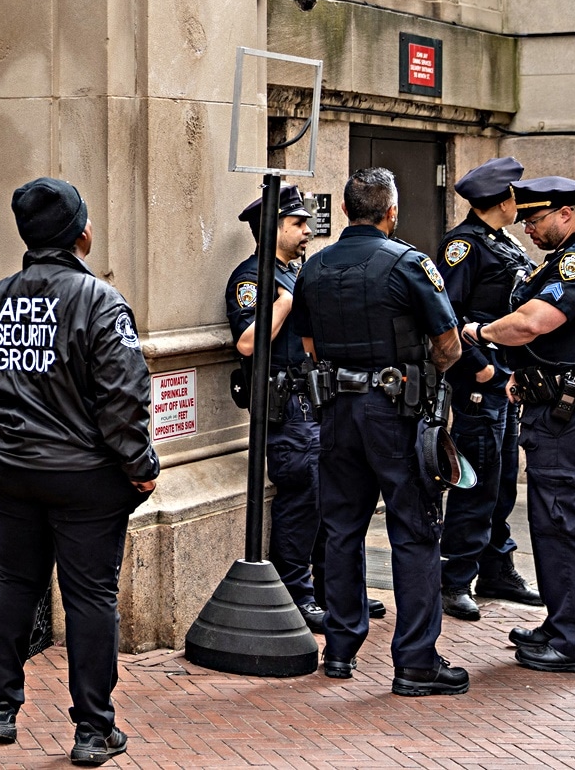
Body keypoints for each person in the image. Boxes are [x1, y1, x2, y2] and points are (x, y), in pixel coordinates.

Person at [0, 176, 159, 766]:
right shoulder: (99, 301)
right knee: (91, 596)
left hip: (12, 468)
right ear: (80, 233)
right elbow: (123, 397)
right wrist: (140, 464)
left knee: (13, 580)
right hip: (85, 475)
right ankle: (93, 729)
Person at [291, 166, 467, 696]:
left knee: (342, 529)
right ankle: (415, 663)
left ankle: (340, 651)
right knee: (414, 531)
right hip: (395, 415)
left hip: (336, 413)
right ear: (391, 212)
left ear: (345, 211)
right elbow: (450, 343)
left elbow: (309, 349)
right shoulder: (408, 262)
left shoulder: (313, 268)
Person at [459, 176, 575, 675]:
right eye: (524, 218)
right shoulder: (559, 261)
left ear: (566, 214)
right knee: (550, 524)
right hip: (551, 408)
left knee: (565, 525)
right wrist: (521, 380)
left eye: (536, 218)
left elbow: (532, 323)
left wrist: (480, 332)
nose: (527, 227)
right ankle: (562, 625)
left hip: (568, 415)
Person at [224, 185, 385, 633]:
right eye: (296, 223)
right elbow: (248, 342)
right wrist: (285, 301)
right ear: (270, 227)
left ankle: (332, 591)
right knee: (301, 502)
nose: (307, 231)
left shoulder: (292, 272)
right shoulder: (251, 279)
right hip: (287, 410)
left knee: (324, 501)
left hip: (314, 403)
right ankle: (296, 595)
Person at [436, 158, 542, 622]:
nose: (522, 203)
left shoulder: (503, 241)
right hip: (482, 383)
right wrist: (480, 371)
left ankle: (497, 570)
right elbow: (447, 317)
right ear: (503, 201)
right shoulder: (463, 245)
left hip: (508, 381)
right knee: (475, 483)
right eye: (517, 195)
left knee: (502, 484)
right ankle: (454, 579)